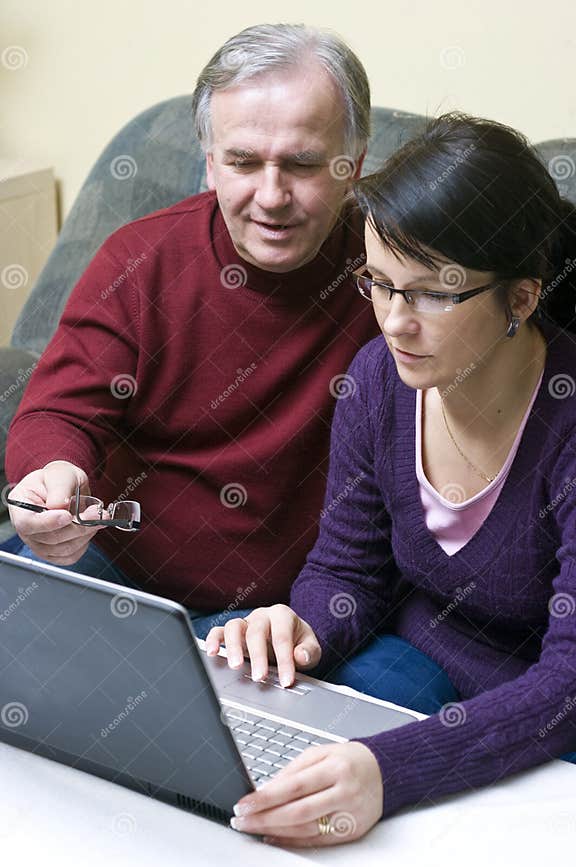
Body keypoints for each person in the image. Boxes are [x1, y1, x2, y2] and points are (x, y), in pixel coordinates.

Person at [206, 113, 576, 846]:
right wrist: (302, 626)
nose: (394, 322)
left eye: (432, 294)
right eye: (378, 283)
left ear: (523, 298)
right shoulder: (378, 381)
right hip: (410, 666)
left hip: (541, 712)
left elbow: (569, 682)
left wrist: (391, 768)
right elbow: (349, 569)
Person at [3, 24, 378, 627]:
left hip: (297, 612)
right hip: (120, 571)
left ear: (353, 165)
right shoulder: (139, 259)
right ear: (209, 165)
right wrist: (52, 477)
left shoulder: (397, 275)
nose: (272, 196)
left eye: (303, 164)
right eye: (243, 162)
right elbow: (60, 413)